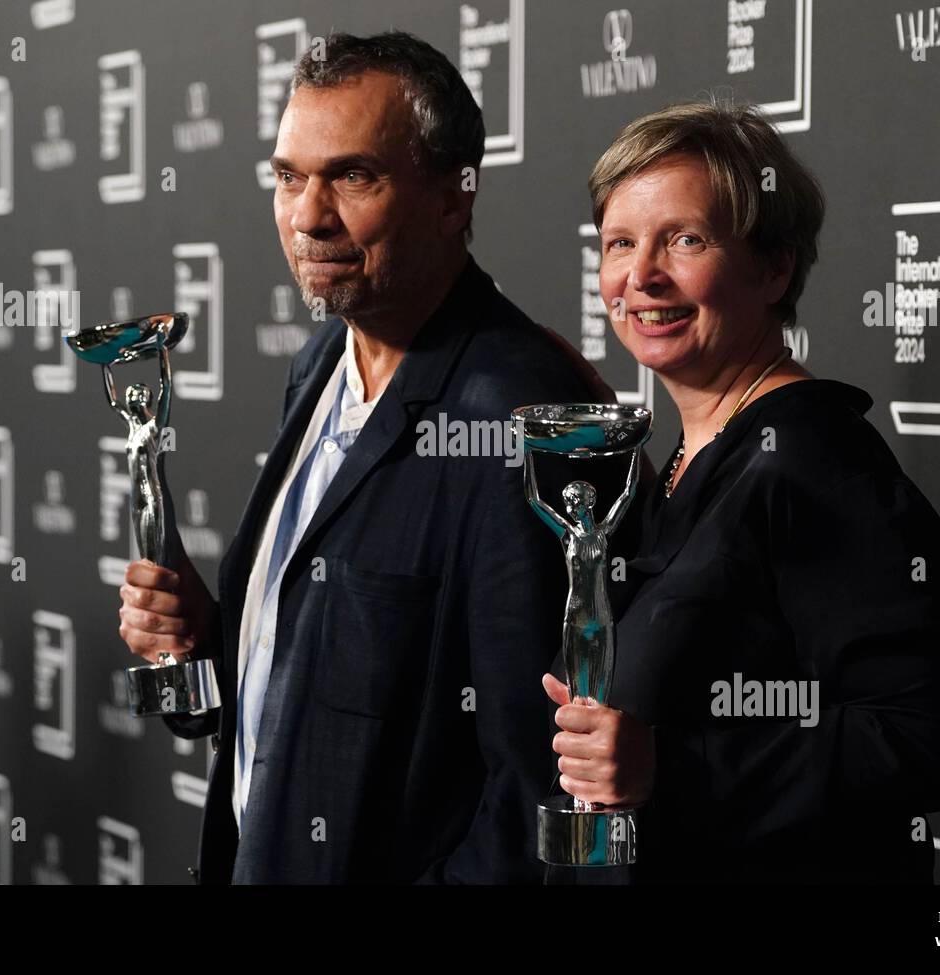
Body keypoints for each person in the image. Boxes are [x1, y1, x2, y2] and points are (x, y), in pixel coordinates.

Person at [116, 30, 605, 884]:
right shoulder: (320, 363)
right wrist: (211, 643)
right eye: (288, 177)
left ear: (453, 196)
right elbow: (327, 705)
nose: (308, 216)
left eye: (352, 177)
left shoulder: (513, 416)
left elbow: (542, 796)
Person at [543, 98, 940, 882]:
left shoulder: (812, 459)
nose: (640, 275)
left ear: (774, 267)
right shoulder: (692, 460)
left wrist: (668, 764)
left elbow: (926, 740)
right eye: (620, 243)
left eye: (685, 239)